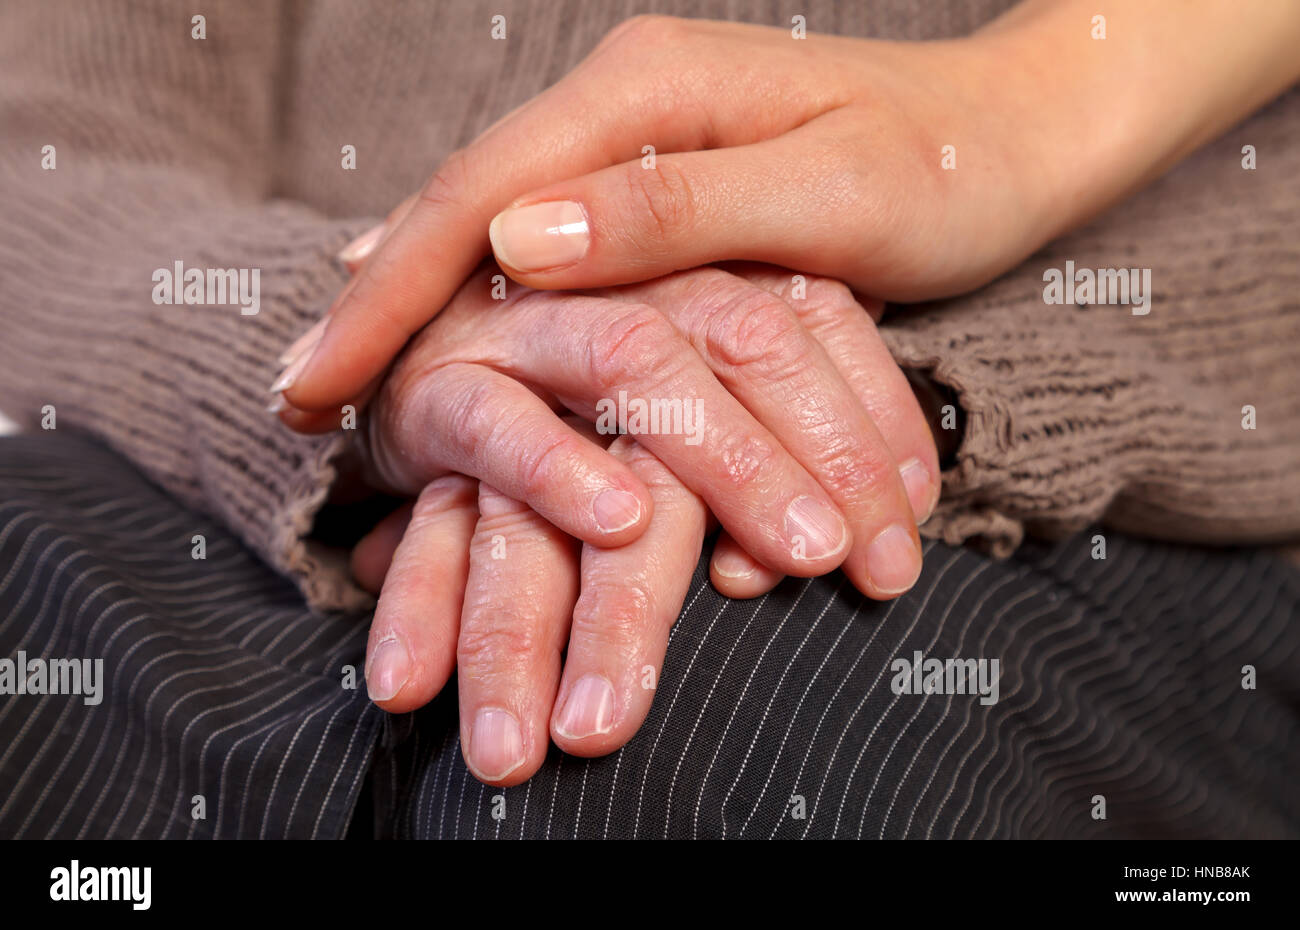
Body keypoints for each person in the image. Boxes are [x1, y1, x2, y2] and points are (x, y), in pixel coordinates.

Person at [0, 0, 1297, 838]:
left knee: (681, 735)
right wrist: (384, 355)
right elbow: (46, 148)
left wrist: (824, 386)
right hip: (261, 475)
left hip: (1089, 503)